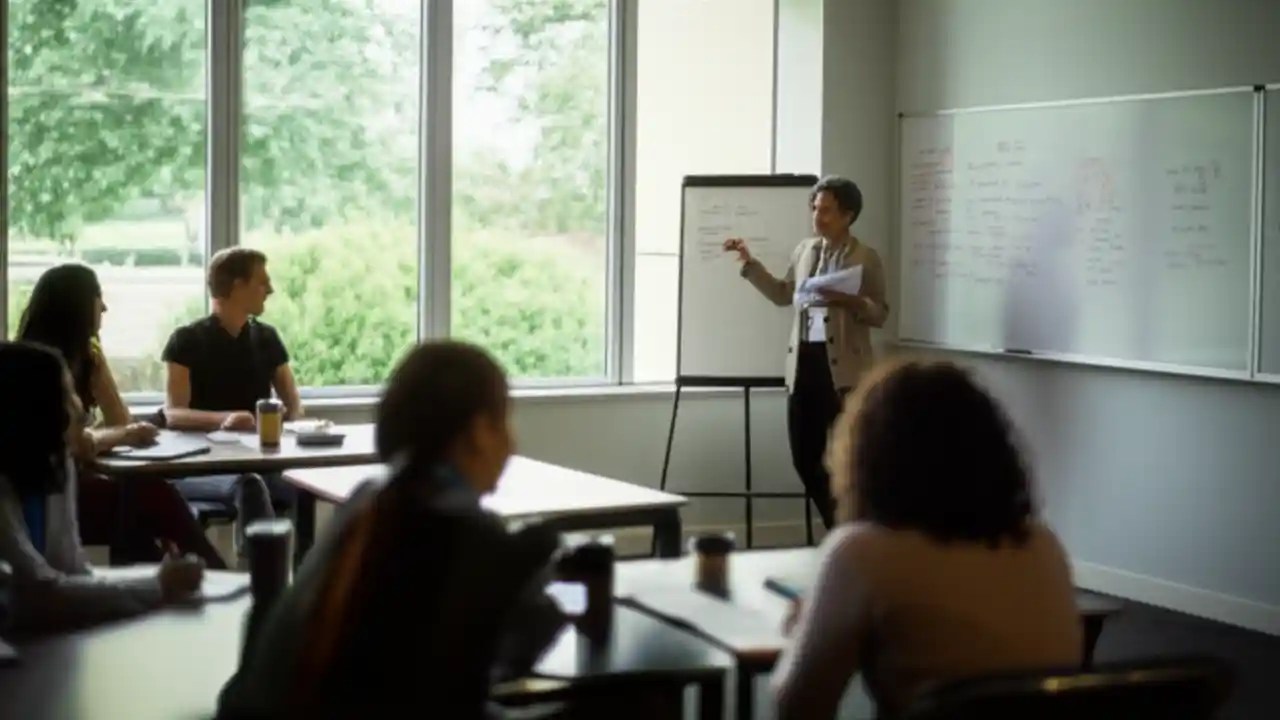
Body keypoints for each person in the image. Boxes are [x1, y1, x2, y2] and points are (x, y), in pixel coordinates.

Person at [216, 341, 565, 719]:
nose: (512, 444)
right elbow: (524, 643)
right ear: (480, 432)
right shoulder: (469, 534)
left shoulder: (366, 502)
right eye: (505, 421)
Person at [771, 359, 1082, 720]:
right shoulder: (1043, 546)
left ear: (870, 458)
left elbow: (796, 707)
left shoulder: (862, 554)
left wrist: (804, 633)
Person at [16, 263, 268, 569]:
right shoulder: (34, 368)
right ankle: (219, 578)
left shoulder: (84, 359)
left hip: (78, 484)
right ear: (78, 305)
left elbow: (121, 422)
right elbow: (78, 442)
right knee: (148, 495)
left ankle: (190, 583)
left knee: (144, 503)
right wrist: (122, 436)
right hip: (48, 495)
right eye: (99, 297)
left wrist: (100, 372)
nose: (105, 308)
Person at [0, 341, 207, 635]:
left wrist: (158, 584)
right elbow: (37, 593)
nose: (82, 411)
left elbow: (72, 573)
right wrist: (157, 584)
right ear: (36, 409)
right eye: (67, 395)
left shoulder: (57, 466)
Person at [723, 176, 888, 528]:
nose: (818, 216)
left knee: (845, 460)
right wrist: (750, 264)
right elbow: (784, 294)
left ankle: (845, 533)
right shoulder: (804, 250)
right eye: (815, 208)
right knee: (804, 457)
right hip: (804, 365)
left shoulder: (865, 257)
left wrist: (849, 300)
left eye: (826, 210)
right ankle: (841, 526)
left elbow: (880, 313)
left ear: (847, 215)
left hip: (843, 372)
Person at [162, 247, 302, 513]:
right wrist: (226, 419)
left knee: (304, 486)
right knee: (250, 485)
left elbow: (294, 405)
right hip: (201, 467)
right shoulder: (186, 340)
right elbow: (174, 414)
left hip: (258, 461)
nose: (270, 290)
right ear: (238, 287)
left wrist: (286, 416)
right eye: (263, 282)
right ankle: (261, 556)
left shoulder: (267, 338)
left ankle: (297, 555)